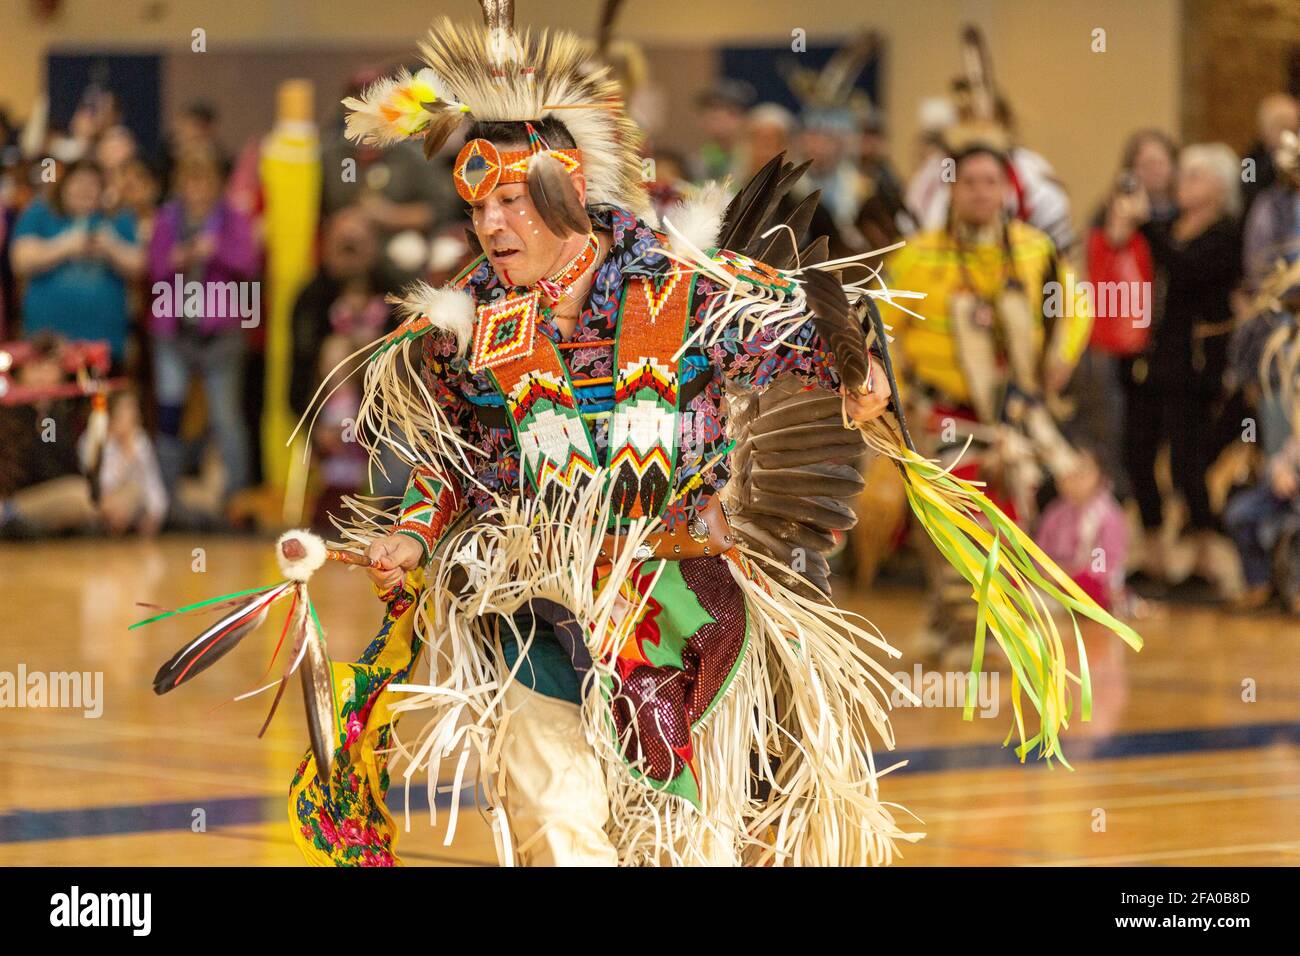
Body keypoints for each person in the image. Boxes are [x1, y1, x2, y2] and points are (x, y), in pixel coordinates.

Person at [268, 9, 1134, 868]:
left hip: (682, 610)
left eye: (508, 202)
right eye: (478, 206)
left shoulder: (682, 287)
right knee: (555, 827)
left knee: (687, 848)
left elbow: (807, 327)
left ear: (564, 192)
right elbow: (449, 461)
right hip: (531, 612)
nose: (491, 226)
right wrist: (413, 531)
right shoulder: (467, 324)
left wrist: (857, 368)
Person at [888, 143, 1091, 657]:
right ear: (953, 189)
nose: (980, 191)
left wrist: (1062, 358)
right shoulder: (917, 255)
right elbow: (884, 330)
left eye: (990, 182)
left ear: (1006, 191)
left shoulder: (1034, 250)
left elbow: (1075, 307)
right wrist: (897, 392)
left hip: (1012, 412)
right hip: (940, 413)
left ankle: (984, 628)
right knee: (949, 522)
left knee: (1003, 517)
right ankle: (957, 623)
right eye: (969, 181)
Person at [1108, 143, 1244, 595]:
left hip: (1194, 364)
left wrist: (1146, 228)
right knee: (1138, 454)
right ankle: (1153, 556)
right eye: (1183, 174)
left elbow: (1186, 270)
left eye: (1196, 176)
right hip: (1147, 359)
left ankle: (1204, 560)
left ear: (1220, 187)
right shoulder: (1167, 226)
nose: (1184, 183)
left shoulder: (1226, 233)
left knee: (1189, 462)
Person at [147, 153, 259, 508]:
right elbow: (151, 269)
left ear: (216, 185)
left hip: (221, 334)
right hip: (174, 332)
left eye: (205, 182)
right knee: (170, 412)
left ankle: (235, 499)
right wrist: (173, 260)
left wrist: (217, 251)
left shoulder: (232, 219)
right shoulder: (167, 219)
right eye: (190, 182)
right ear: (181, 184)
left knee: (225, 416)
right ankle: (165, 498)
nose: (197, 190)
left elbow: (250, 265)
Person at [9, 160, 143, 369]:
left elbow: (140, 266)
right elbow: (20, 260)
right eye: (78, 182)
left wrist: (111, 248)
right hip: (46, 345)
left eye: (92, 184)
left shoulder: (118, 218)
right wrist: (65, 246)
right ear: (63, 186)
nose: (85, 190)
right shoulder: (40, 212)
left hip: (104, 345)